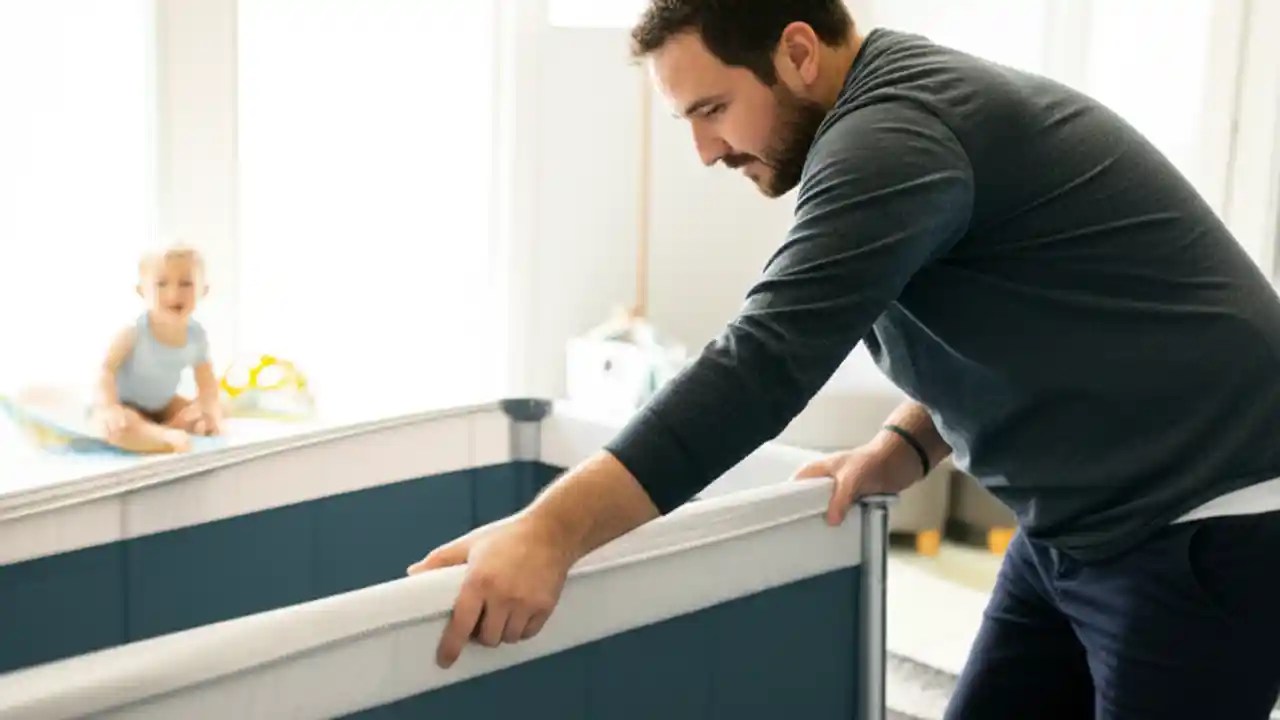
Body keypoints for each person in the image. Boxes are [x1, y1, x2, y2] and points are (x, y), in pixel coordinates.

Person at [408, 2, 1280, 716]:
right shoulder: (900, 117)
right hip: (1076, 521)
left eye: (711, 110)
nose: (704, 151)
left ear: (796, 52)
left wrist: (550, 532)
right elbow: (1027, 319)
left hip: (1202, 517)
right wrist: (902, 448)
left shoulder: (895, 133)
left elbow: (764, 362)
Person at [91, 244, 223, 453]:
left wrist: (208, 409)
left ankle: (165, 430)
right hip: (127, 404)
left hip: (163, 405)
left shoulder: (196, 336)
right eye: (161, 284)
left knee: (203, 411)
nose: (174, 293)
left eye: (186, 284)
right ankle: (161, 437)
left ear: (203, 290)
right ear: (142, 291)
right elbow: (106, 369)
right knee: (118, 426)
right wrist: (109, 407)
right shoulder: (135, 331)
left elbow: (207, 382)